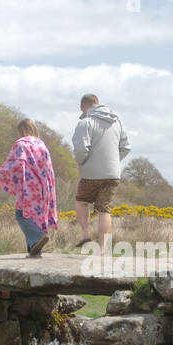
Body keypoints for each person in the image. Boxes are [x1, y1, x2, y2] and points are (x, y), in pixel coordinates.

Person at [70, 93, 130, 252]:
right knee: (105, 210)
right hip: (112, 174)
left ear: (84, 106)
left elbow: (81, 149)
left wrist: (81, 163)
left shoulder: (86, 123)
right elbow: (126, 147)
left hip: (90, 173)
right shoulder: (118, 122)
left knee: (81, 200)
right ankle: (102, 250)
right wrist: (114, 162)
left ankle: (85, 234)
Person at [0, 119, 58, 258]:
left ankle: (38, 237)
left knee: (21, 215)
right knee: (35, 217)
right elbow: (48, 168)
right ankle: (34, 251)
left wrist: (2, 173)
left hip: (28, 185)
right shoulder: (41, 144)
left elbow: (17, 164)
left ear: (22, 130)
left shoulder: (21, 144)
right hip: (44, 187)